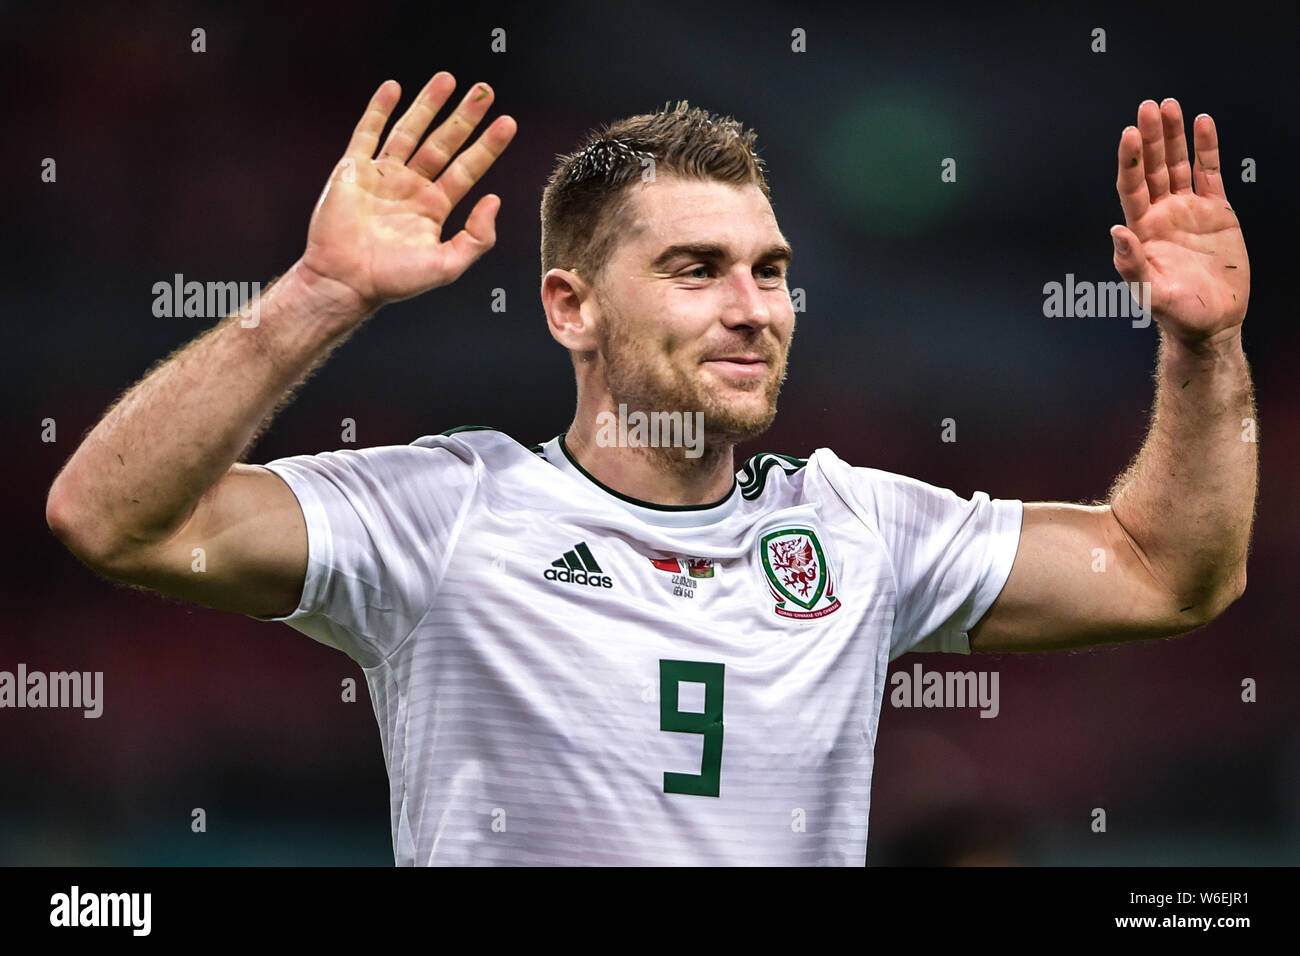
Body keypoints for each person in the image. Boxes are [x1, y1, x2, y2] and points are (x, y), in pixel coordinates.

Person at [45, 72, 1256, 865]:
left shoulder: (858, 528)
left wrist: (1202, 343)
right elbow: (111, 517)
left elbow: (1167, 574)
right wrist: (319, 293)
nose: (752, 308)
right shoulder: (442, 513)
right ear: (570, 307)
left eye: (770, 269)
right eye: (695, 269)